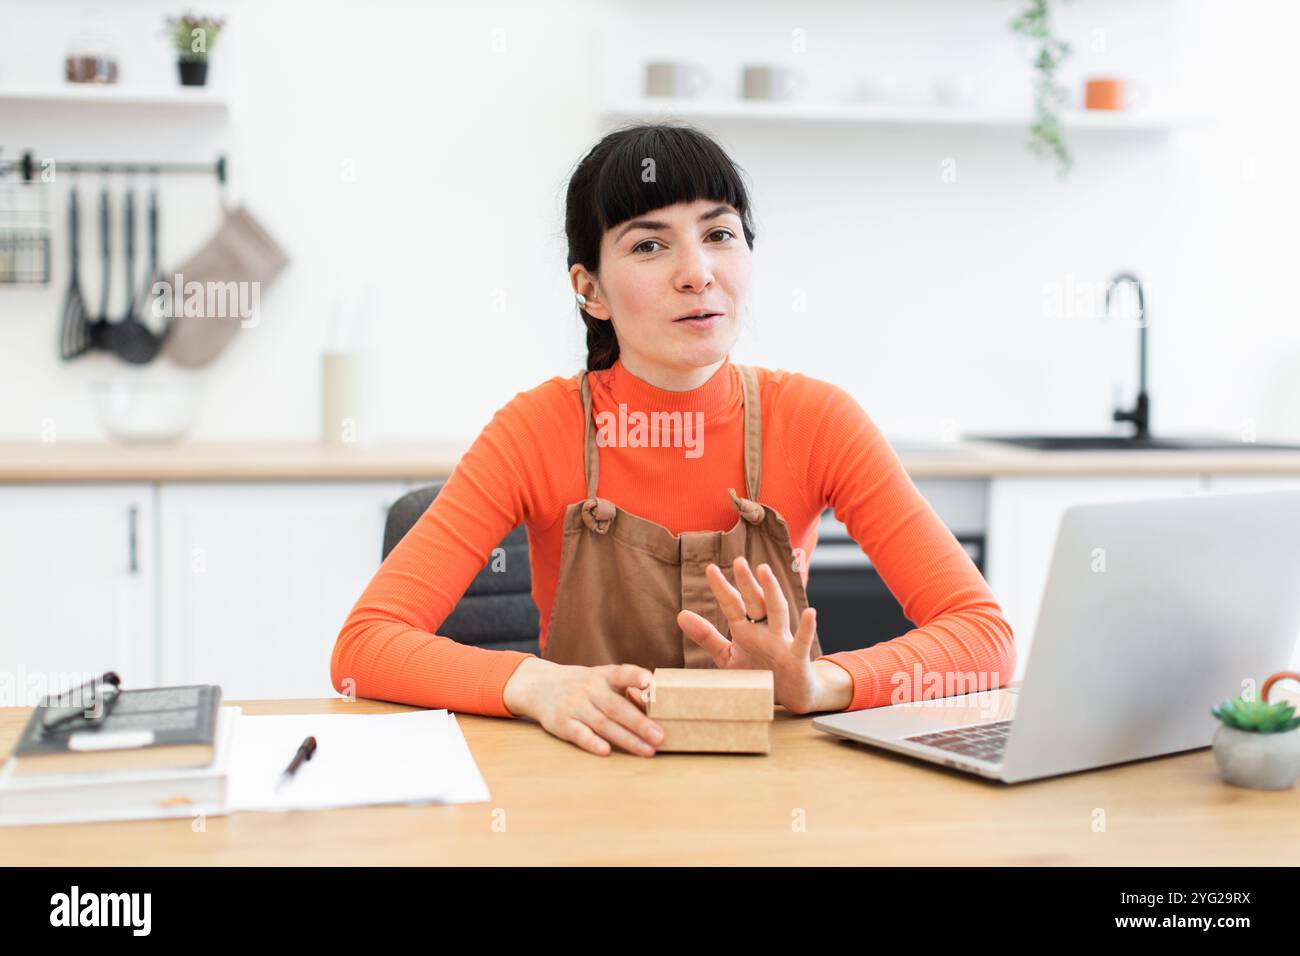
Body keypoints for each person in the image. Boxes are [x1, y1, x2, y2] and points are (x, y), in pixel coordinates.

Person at [331, 123, 1016, 757]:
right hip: (585, 785)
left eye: (719, 234)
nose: (698, 272)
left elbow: (984, 639)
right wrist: (536, 685)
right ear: (589, 290)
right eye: (650, 244)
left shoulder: (817, 421)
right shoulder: (535, 430)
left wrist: (818, 683)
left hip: (774, 791)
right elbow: (364, 648)